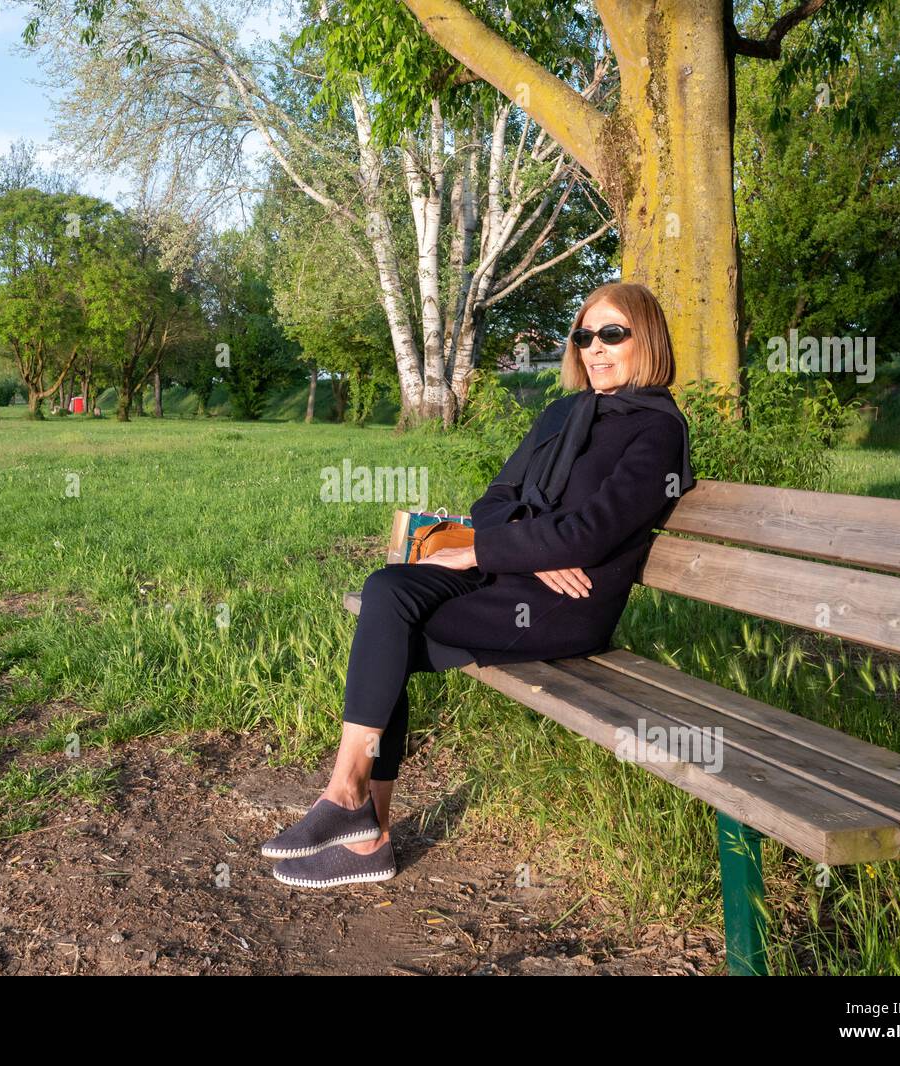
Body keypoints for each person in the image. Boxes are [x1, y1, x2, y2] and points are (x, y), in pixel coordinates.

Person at [263, 281, 695, 889]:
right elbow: (493, 498)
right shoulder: (564, 413)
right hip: (519, 578)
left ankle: (358, 822)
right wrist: (529, 551)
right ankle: (355, 807)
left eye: (612, 335)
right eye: (585, 336)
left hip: (566, 608)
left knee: (389, 634)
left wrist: (487, 553)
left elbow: (593, 535)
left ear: (645, 339)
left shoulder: (657, 432)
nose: (595, 349)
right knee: (388, 593)